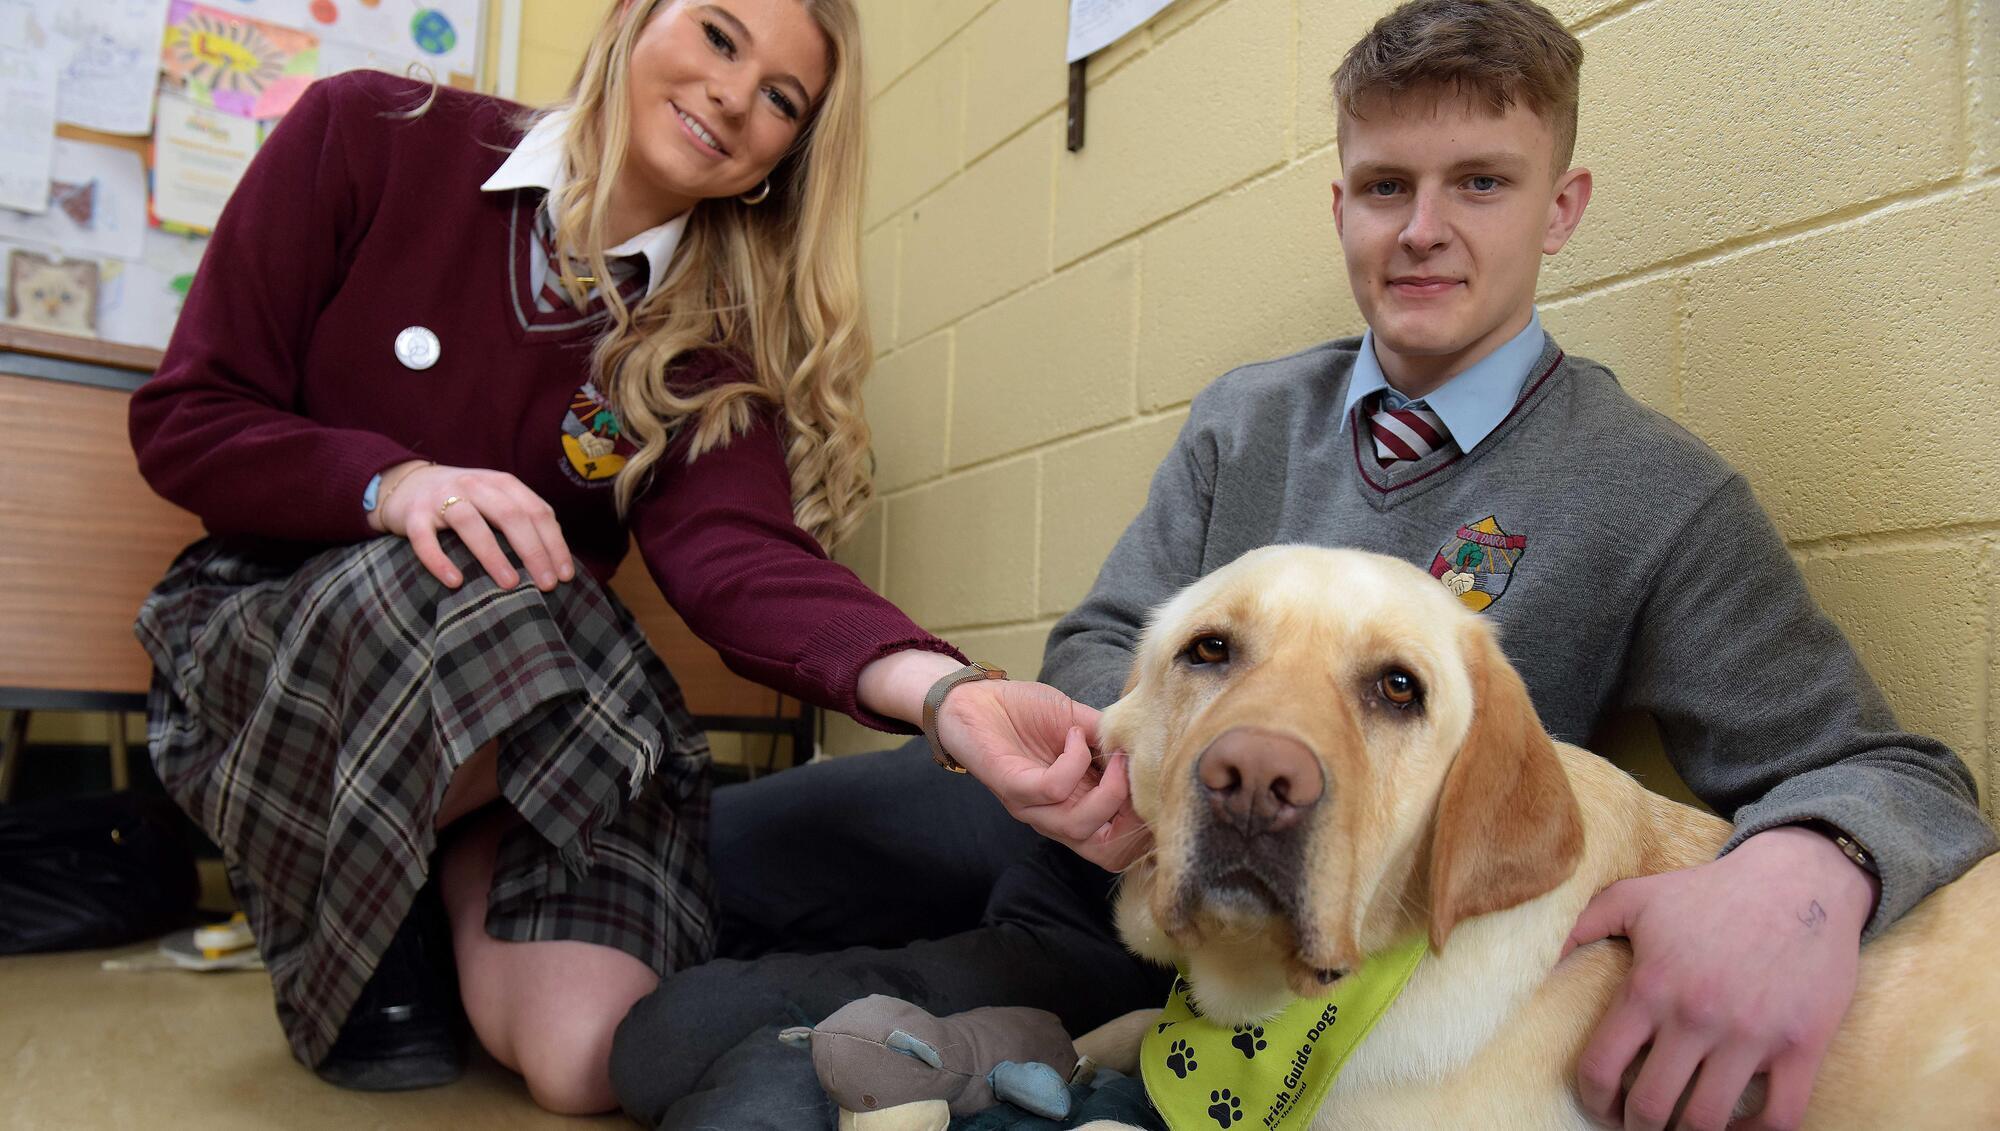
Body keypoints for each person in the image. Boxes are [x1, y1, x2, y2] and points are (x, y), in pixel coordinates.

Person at [609, 1, 1996, 1128]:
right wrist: (1165, 727)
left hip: (1271, 933)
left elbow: (1891, 771)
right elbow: (1099, 638)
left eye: (1481, 185)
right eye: (1385, 186)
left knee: (689, 1058)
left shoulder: (1659, 493)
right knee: (705, 839)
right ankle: (484, 929)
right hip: (1110, 826)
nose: (1423, 228)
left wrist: (1802, 877)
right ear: (1340, 203)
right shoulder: (1247, 414)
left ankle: (806, 1017)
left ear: (1560, 208)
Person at [126, 0, 1130, 1115]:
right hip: (279, 647)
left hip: (514, 712)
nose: (733, 95)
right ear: (635, 19)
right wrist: (397, 484)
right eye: (716, 35)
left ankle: (420, 872)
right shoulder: (369, 130)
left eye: (782, 99)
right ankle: (375, 899)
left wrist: (947, 696)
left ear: (780, 161)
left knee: (581, 1061)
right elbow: (190, 418)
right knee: (461, 559)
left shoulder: (706, 350)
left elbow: (740, 561)